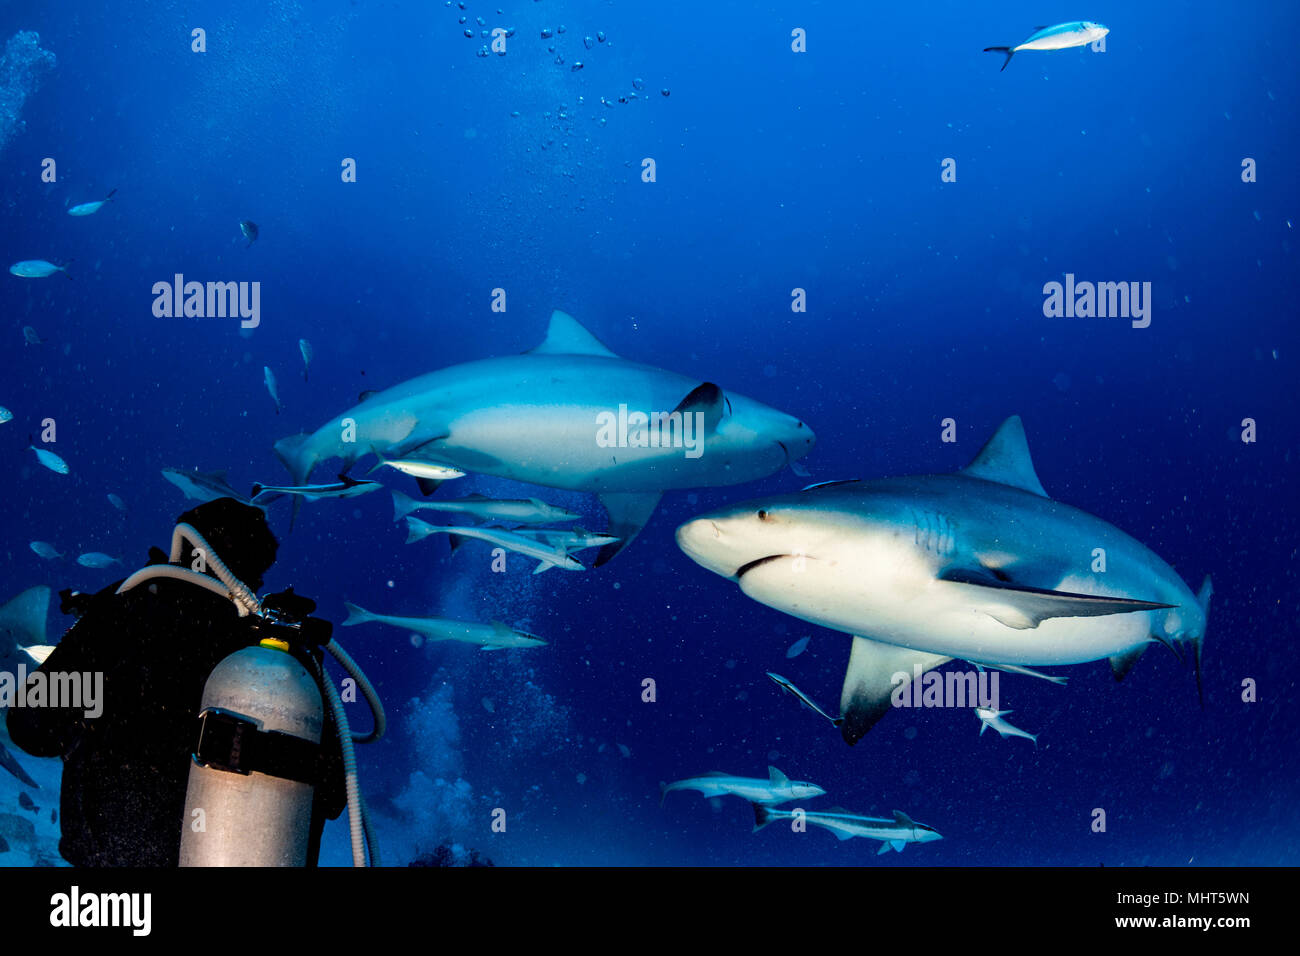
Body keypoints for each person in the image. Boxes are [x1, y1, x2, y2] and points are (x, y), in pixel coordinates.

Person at [5, 497, 345, 867]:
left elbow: (30, 727)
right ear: (255, 570)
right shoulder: (275, 655)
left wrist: (91, 717)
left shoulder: (122, 614)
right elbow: (333, 795)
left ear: (181, 545)